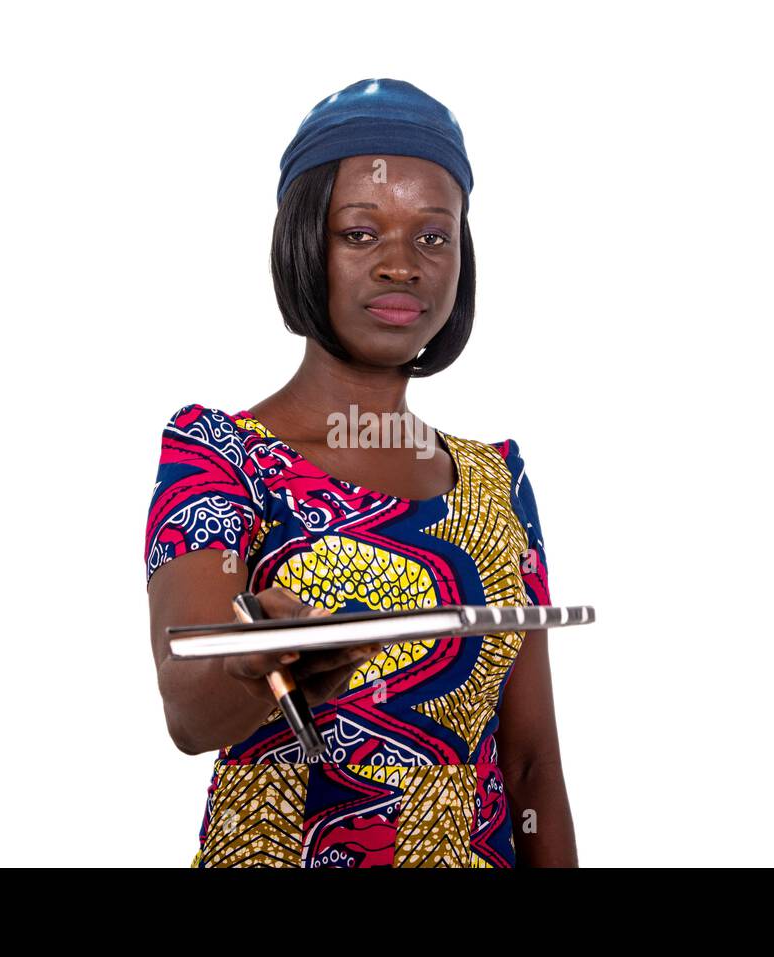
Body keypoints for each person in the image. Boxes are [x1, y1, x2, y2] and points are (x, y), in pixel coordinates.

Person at [144, 78, 577, 868]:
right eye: (360, 233)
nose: (402, 265)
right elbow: (188, 710)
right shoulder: (218, 453)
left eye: (433, 237)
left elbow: (530, 762)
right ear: (307, 241)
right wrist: (260, 666)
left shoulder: (496, 482)